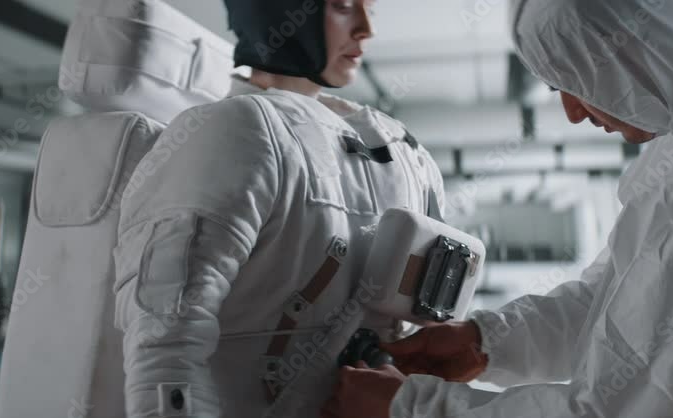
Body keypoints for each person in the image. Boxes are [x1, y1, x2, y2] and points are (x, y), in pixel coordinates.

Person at [321, 0, 673, 417]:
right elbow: (616, 304)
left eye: (571, 85)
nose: (573, 113)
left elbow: (627, 410)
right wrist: (488, 344)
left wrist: (405, 409)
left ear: (630, 56)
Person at [113, 1, 445, 417]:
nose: (365, 29)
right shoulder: (234, 131)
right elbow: (164, 345)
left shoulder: (404, 153)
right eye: (343, 5)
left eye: (369, 7)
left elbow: (420, 328)